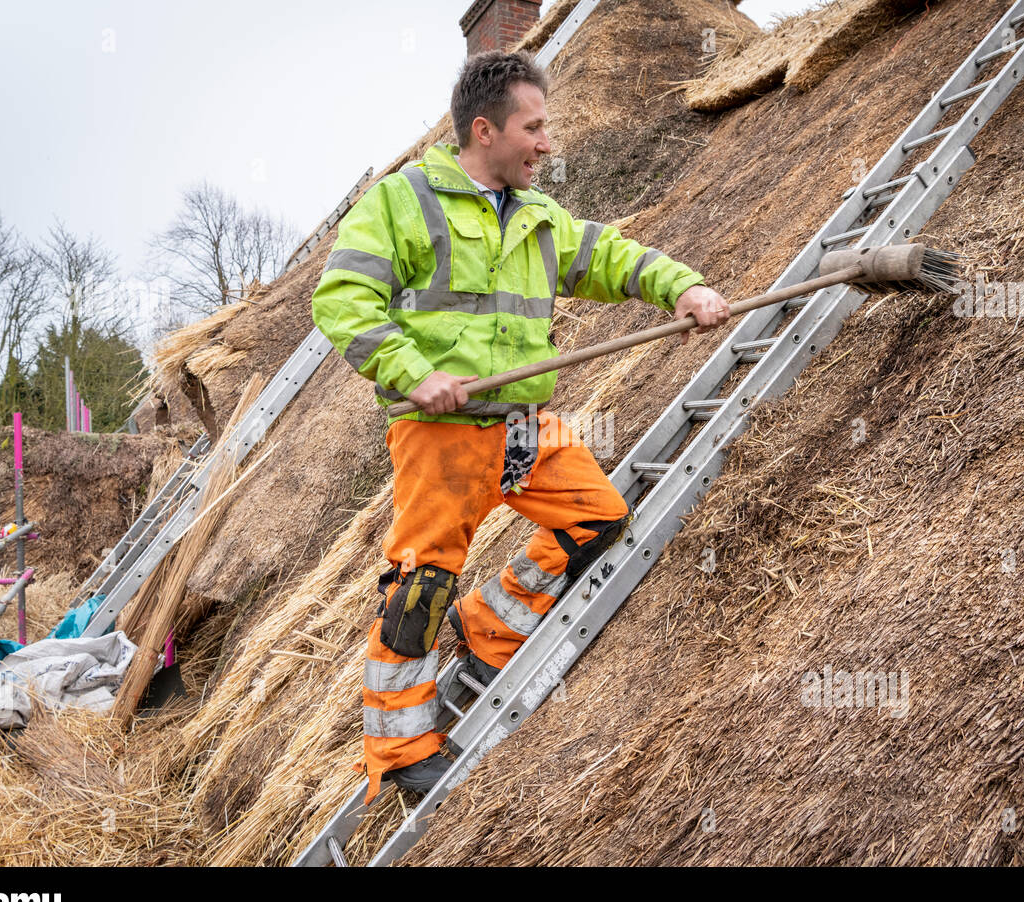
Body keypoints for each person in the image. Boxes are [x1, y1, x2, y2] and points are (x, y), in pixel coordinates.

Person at [312, 50, 731, 803]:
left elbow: (610, 257)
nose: (546, 143)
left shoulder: (538, 215)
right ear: (485, 130)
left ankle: (488, 628)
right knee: (419, 587)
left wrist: (685, 288)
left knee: (597, 518)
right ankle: (399, 749)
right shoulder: (403, 202)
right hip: (439, 434)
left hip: (522, 427)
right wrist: (415, 373)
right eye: (534, 128)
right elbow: (342, 302)